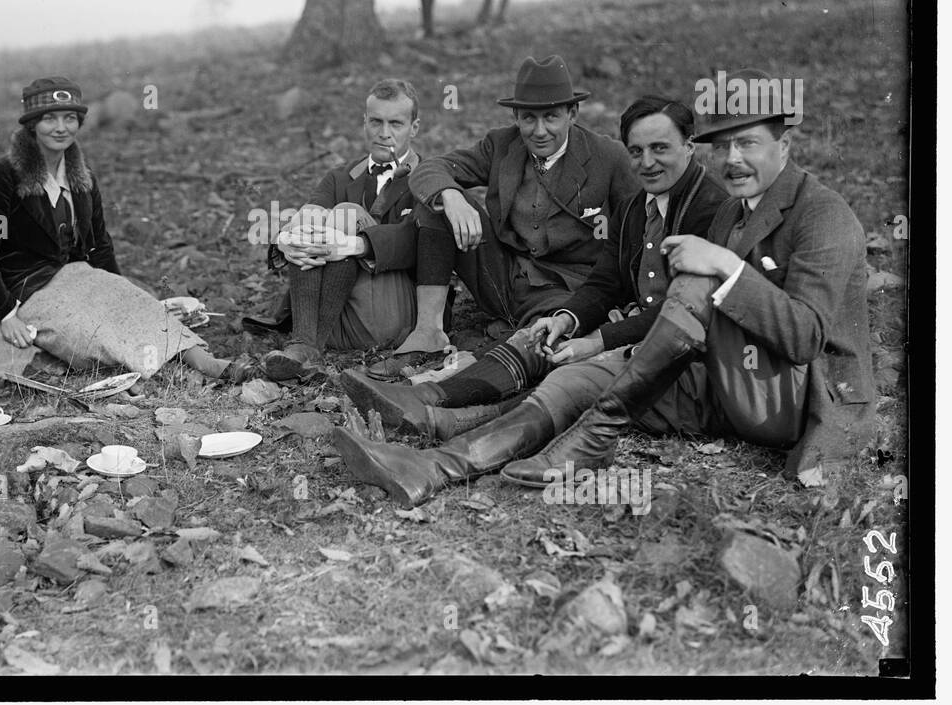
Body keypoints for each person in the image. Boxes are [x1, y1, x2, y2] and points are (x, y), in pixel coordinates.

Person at [333, 70, 875, 508]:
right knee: (574, 381)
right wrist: (576, 325)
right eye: (725, 146)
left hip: (790, 394)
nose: (734, 159)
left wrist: (724, 269)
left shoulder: (821, 214)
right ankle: (433, 464)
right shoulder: (714, 205)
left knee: (666, 306)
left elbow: (803, 338)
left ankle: (575, 433)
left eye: (749, 144)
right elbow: (612, 280)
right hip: (715, 371)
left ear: (785, 143)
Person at [340, 94, 728, 446]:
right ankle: (422, 392)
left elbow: (677, 308)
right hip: (521, 284)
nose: (647, 162)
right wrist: (570, 319)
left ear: (690, 146)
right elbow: (611, 277)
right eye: (638, 151)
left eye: (660, 149)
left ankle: (449, 418)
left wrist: (597, 336)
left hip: (647, 336)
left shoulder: (702, 206)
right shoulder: (634, 205)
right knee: (549, 341)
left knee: (554, 360)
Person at [0, 76, 249, 382]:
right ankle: (169, 372)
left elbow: (99, 244)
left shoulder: (82, 178)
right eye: (49, 119)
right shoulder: (4, 177)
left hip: (78, 275)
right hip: (26, 289)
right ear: (31, 124)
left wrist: (118, 289)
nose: (61, 128)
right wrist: (7, 314)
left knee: (135, 304)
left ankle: (206, 362)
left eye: (70, 118)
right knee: (91, 333)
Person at [384, 53, 637, 369]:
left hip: (565, 293)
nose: (540, 130)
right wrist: (451, 195)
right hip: (501, 277)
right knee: (435, 208)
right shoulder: (501, 144)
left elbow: (641, 227)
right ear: (516, 116)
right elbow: (432, 168)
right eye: (529, 118)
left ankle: (480, 364)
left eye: (551, 117)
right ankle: (429, 331)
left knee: (547, 336)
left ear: (573, 113)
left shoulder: (608, 157)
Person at [251, 79, 426, 381]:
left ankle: (306, 343)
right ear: (364, 123)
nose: (384, 133)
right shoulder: (341, 176)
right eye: (375, 122)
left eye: (396, 123)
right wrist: (286, 241)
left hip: (395, 313)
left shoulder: (428, 176)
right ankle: (306, 345)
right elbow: (304, 218)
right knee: (307, 224)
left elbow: (425, 245)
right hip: (337, 321)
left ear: (415, 128)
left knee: (346, 213)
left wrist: (356, 244)